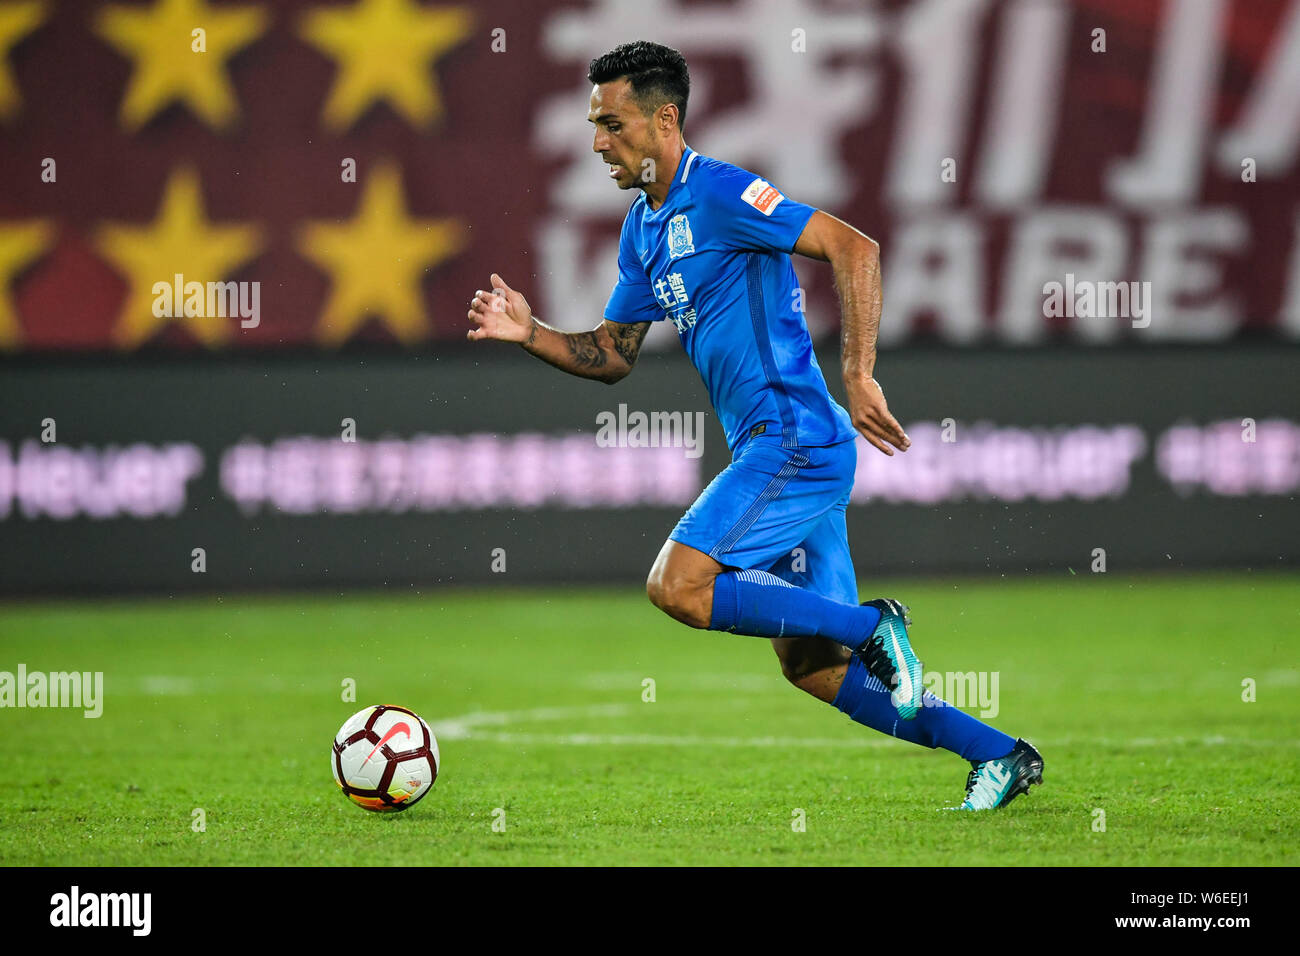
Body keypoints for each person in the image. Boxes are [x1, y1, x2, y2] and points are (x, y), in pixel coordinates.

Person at [467, 41, 1042, 810]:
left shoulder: (722, 193)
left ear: (665, 119)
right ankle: (999, 754)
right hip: (782, 448)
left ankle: (873, 623)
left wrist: (860, 372)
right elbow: (612, 354)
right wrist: (531, 332)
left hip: (794, 441)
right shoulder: (644, 230)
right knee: (812, 664)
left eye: (613, 123)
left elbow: (854, 247)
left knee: (678, 585)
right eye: (594, 124)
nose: (598, 142)